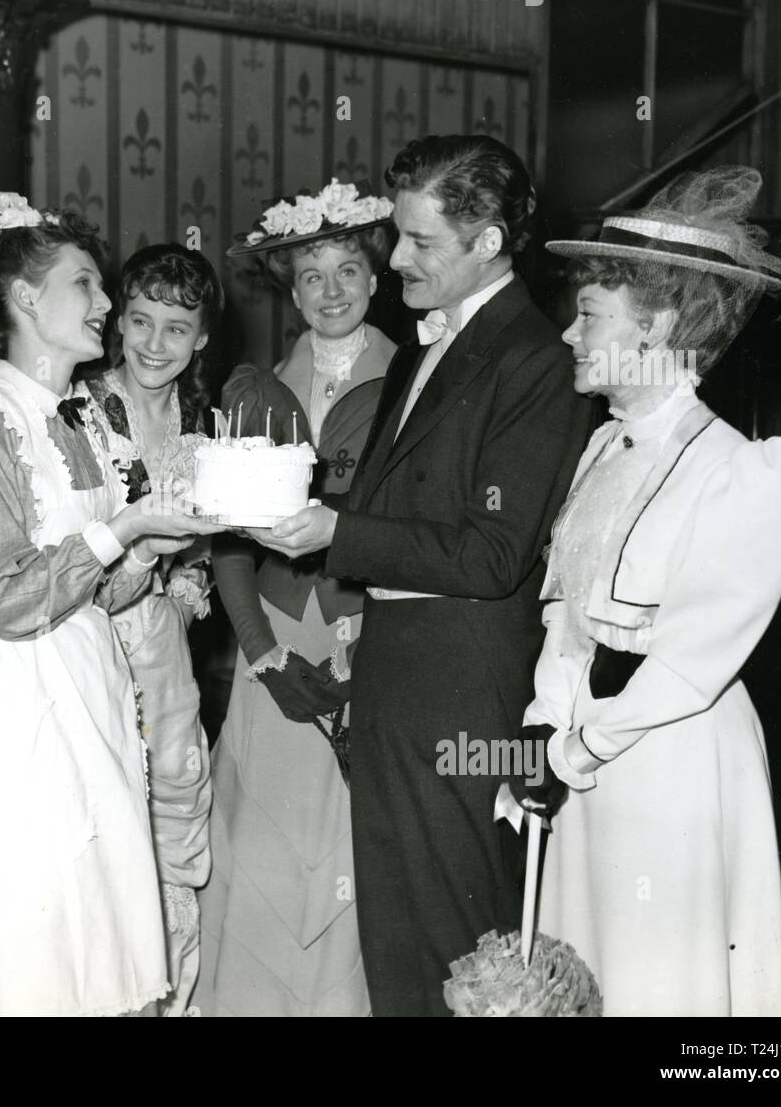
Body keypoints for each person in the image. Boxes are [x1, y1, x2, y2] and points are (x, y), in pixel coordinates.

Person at [250, 137, 595, 1016]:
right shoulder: (418, 350)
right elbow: (387, 509)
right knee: (394, 944)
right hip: (394, 676)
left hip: (465, 694)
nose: (396, 257)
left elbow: (492, 554)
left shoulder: (536, 358)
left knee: (460, 949)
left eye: (420, 241)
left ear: (489, 242)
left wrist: (337, 531)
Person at [510, 166, 781, 1015]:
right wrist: (544, 725)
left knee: (663, 980)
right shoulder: (603, 449)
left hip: (672, 763)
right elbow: (568, 623)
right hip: (586, 761)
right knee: (590, 967)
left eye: (589, 315)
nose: (568, 334)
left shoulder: (744, 476)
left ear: (657, 325)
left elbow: (684, 665)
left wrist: (575, 750)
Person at [0, 195, 218, 1016]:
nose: (107, 303)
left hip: (96, 687)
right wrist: (126, 527)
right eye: (85, 283)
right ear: (23, 298)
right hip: (26, 703)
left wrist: (151, 544)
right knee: (41, 938)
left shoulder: (78, 422)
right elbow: (8, 597)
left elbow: (103, 586)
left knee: (100, 933)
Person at [192, 180, 398, 1016]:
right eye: (312, 276)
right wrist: (262, 651)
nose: (331, 291)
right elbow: (228, 539)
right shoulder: (260, 386)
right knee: (263, 839)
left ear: (376, 277)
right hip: (273, 641)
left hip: (370, 640)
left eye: (347, 270)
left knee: (347, 840)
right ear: (291, 290)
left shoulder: (416, 382)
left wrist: (371, 644)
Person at [77, 242, 221, 1016]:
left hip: (164, 650)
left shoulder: (207, 424)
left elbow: (201, 553)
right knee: (103, 821)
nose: (154, 343)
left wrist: (186, 589)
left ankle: (171, 999)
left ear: (202, 338)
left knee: (173, 815)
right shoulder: (80, 411)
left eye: (176, 328)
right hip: (91, 637)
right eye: (140, 321)